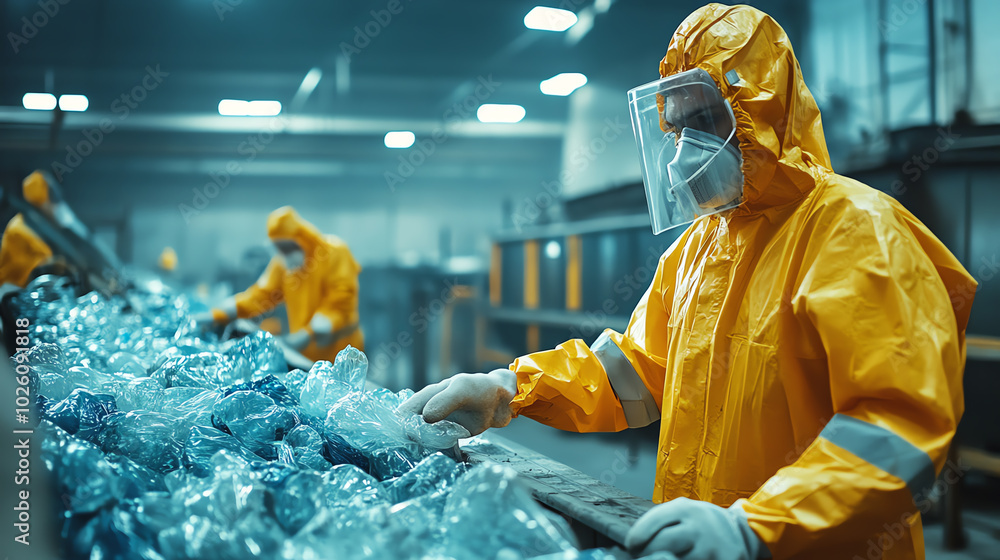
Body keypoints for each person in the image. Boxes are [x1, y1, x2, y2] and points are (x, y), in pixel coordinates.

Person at [401, 4, 977, 559]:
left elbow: (897, 427)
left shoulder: (858, 233)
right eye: (676, 128)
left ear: (760, 108)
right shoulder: (698, 247)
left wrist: (759, 529)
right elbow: (632, 374)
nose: (684, 150)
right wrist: (510, 389)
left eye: (704, 120)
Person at [199, 206, 364, 361]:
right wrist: (219, 315)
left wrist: (308, 334)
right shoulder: (283, 264)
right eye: (279, 248)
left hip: (342, 354)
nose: (285, 253)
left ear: (301, 238)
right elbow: (260, 296)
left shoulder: (334, 253)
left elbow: (341, 302)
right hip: (306, 357)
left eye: (287, 247)